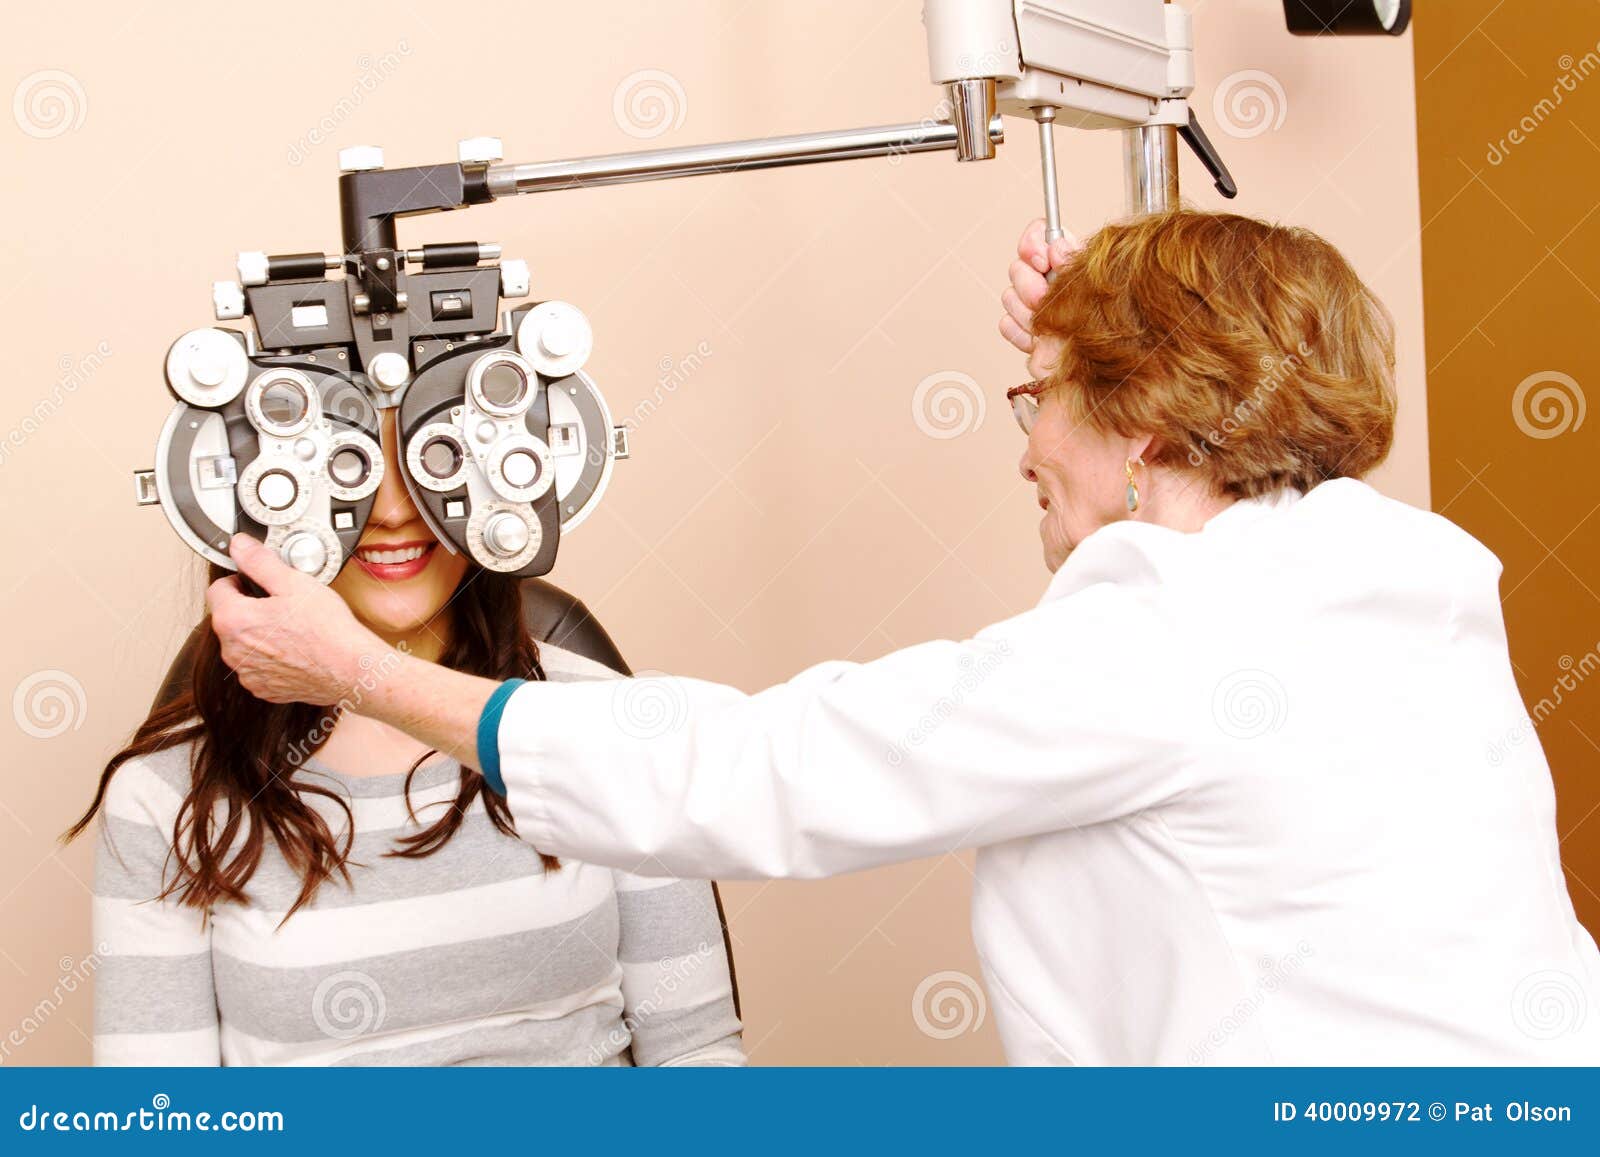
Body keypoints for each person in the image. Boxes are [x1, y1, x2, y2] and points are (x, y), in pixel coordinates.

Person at [205, 210, 1600, 1065]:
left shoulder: (1169, 641)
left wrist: (372, 679)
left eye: (1037, 395)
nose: (1027, 444)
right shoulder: (1398, 571)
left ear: (1150, 428)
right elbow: (1242, 347)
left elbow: (768, 771)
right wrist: (1102, 325)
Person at [69, 408, 744, 1067]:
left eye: (436, 452)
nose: (393, 507)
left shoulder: (612, 725)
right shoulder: (164, 797)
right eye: (346, 459)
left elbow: (695, 1053)